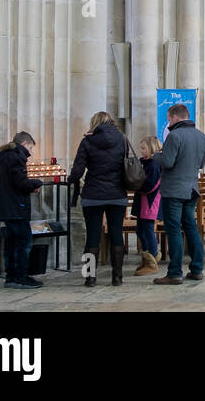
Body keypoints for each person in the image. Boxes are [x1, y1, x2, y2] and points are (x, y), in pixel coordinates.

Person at [70, 110, 128, 287]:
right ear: (111, 122)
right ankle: (117, 278)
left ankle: (90, 278)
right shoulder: (122, 139)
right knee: (116, 234)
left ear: (94, 123)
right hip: (117, 193)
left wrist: (71, 179)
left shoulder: (87, 141)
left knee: (92, 236)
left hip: (93, 194)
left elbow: (78, 169)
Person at [154, 103, 205, 285]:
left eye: (169, 119)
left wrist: (156, 155)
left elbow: (167, 162)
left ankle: (175, 272)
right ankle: (197, 269)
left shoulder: (174, 135)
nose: (168, 122)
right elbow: (200, 163)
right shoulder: (202, 137)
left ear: (175, 117)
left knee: (174, 230)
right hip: (192, 188)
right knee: (191, 228)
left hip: (174, 189)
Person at [0, 130, 44, 289]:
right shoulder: (16, 157)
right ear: (25, 144)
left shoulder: (3, 157)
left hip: (6, 206)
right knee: (24, 242)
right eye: (31, 148)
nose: (30, 152)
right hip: (16, 207)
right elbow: (21, 183)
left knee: (11, 242)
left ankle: (11, 276)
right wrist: (37, 183)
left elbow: (2, 183)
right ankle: (21, 276)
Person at [132, 135, 163, 276]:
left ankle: (152, 259)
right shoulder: (144, 162)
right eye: (141, 148)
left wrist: (136, 186)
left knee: (148, 229)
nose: (142, 151)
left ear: (152, 148)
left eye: (144, 148)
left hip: (150, 200)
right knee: (140, 229)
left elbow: (151, 184)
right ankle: (147, 258)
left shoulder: (155, 164)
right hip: (142, 200)